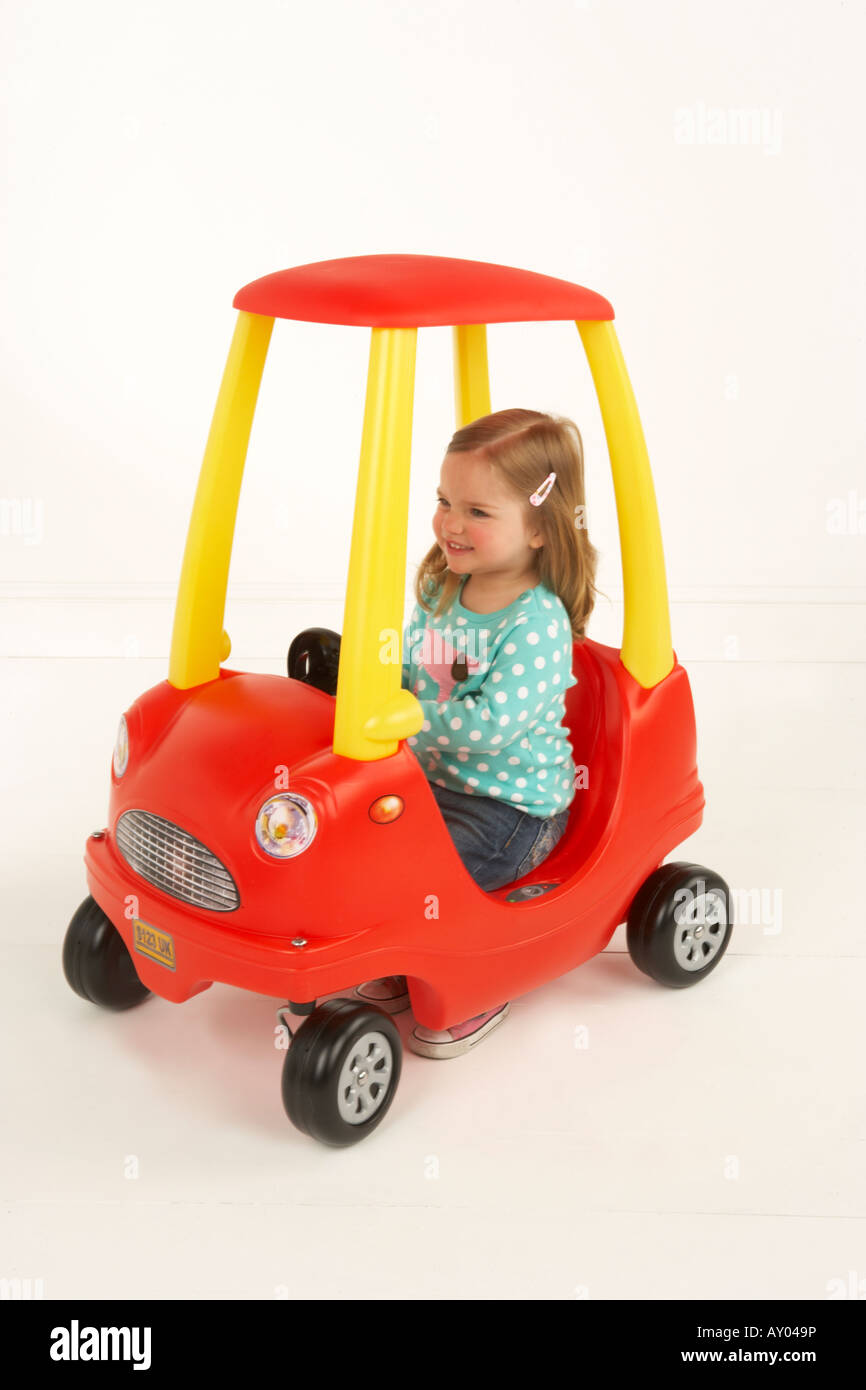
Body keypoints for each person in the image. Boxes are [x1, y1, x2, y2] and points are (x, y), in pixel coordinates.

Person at [357, 409, 599, 1058]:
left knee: (435, 879)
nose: (450, 524)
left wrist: (409, 713)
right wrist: (368, 681)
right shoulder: (441, 590)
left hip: (510, 811)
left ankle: (477, 984)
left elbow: (491, 725)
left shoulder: (537, 624)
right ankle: (398, 947)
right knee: (365, 848)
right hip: (430, 781)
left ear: (542, 528)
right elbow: (413, 668)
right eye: (443, 502)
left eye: (478, 512)